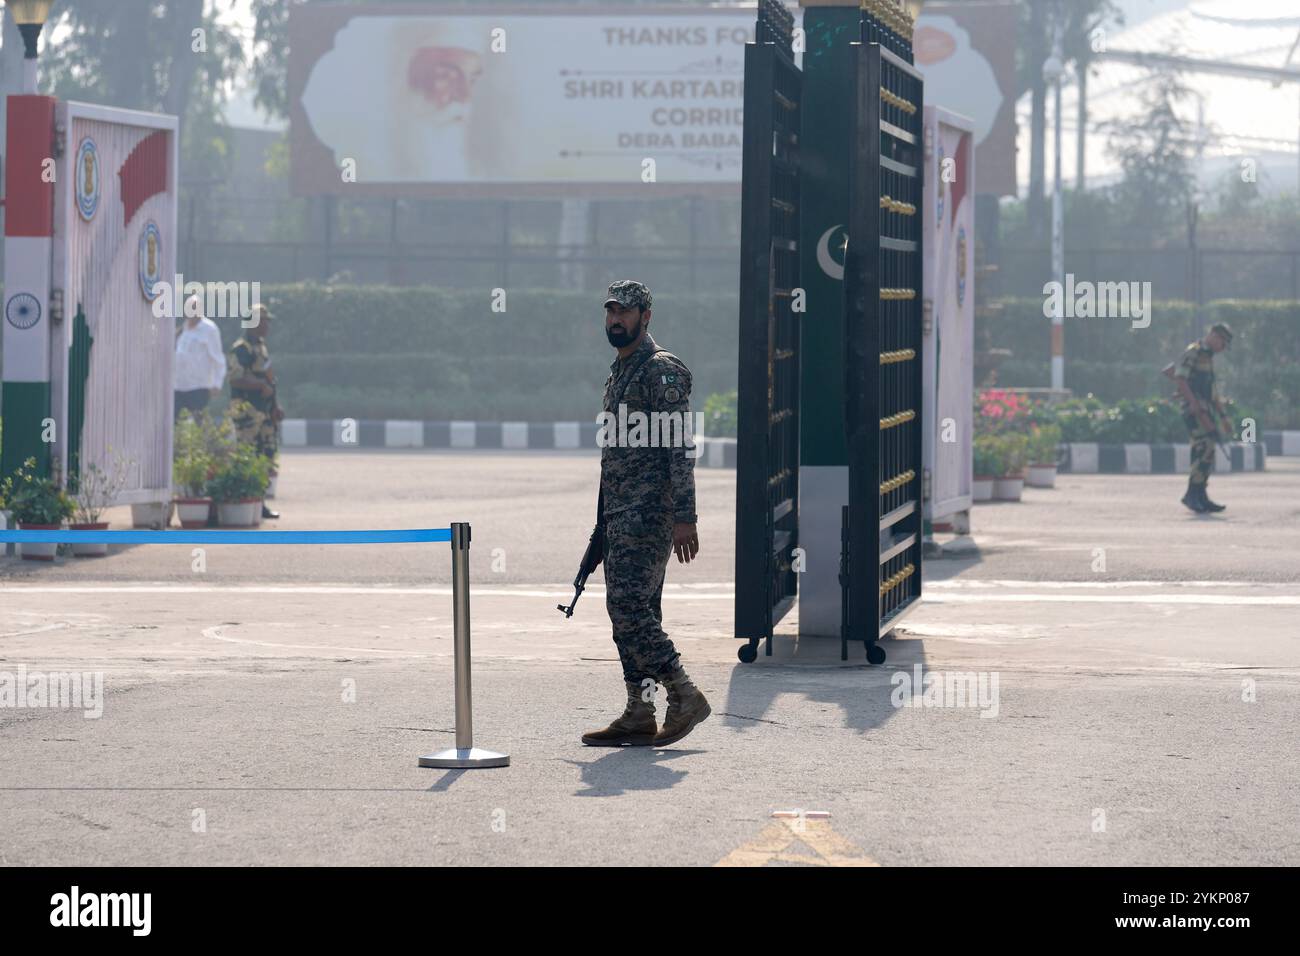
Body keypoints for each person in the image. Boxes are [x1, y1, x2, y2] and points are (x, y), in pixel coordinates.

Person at [581, 280, 711, 748]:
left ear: (646, 316)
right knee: (631, 612)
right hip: (619, 513)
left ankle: (684, 692)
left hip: (650, 512)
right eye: (611, 311)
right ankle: (640, 709)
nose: (616, 319)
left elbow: (681, 447)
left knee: (630, 608)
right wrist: (602, 521)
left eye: (626, 312)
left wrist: (685, 517)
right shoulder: (619, 371)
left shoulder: (661, 370)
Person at [1169, 322, 1234, 513]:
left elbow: (1212, 392)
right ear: (1214, 335)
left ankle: (1200, 495)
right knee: (1203, 448)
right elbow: (1180, 378)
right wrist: (1194, 404)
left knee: (1208, 449)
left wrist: (1223, 417)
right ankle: (1192, 494)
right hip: (1193, 410)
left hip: (1205, 410)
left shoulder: (1208, 356)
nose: (1223, 348)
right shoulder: (1194, 351)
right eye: (1223, 343)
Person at [227, 304, 284, 520]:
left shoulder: (261, 346)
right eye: (264, 321)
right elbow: (236, 378)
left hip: (265, 413)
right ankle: (243, 501)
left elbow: (269, 378)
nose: (267, 325)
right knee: (246, 456)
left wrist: (275, 405)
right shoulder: (241, 349)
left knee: (265, 457)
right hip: (247, 414)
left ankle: (259, 504)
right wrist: (260, 386)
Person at [173, 296, 226, 422]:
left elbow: (218, 358)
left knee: (198, 423)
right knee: (175, 423)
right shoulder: (182, 330)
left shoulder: (209, 329)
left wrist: (217, 383)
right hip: (178, 386)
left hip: (199, 387)